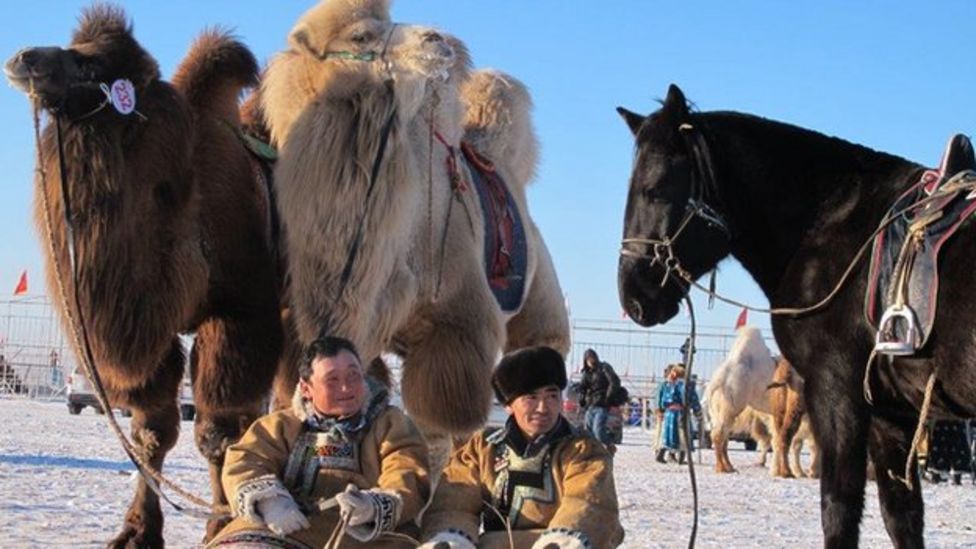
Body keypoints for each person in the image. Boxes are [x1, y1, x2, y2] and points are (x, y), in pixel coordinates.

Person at [208, 336, 430, 548]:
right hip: (281, 526)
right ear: (306, 388)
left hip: (362, 537)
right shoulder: (280, 425)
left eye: (354, 376)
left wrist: (372, 507)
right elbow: (246, 461)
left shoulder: (390, 424)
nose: (346, 388)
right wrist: (269, 501)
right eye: (332, 380)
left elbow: (407, 470)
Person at [420, 346, 624, 549]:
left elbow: (588, 504)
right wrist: (452, 540)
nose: (543, 408)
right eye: (531, 398)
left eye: (552, 396)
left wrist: (560, 543)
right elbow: (454, 503)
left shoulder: (583, 450)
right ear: (508, 404)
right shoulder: (482, 447)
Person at [577, 348, 622, 452]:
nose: (590, 361)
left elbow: (614, 382)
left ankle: (610, 446)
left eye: (592, 358)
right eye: (588, 359)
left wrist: (608, 397)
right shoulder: (587, 372)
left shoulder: (604, 367)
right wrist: (581, 398)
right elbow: (583, 387)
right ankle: (594, 452)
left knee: (598, 431)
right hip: (591, 405)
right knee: (588, 432)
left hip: (602, 404)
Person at [658, 363, 702, 464]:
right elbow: (691, 398)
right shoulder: (685, 385)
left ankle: (661, 455)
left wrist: (662, 409)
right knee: (683, 435)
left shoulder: (667, 384)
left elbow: (662, 400)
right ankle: (681, 459)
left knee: (668, 435)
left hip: (669, 413)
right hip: (681, 413)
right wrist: (697, 411)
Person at [653, 364, 675, 463]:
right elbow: (658, 397)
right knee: (662, 433)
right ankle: (659, 452)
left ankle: (672, 454)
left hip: (673, 413)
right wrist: (658, 410)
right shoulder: (663, 385)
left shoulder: (676, 385)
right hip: (664, 412)